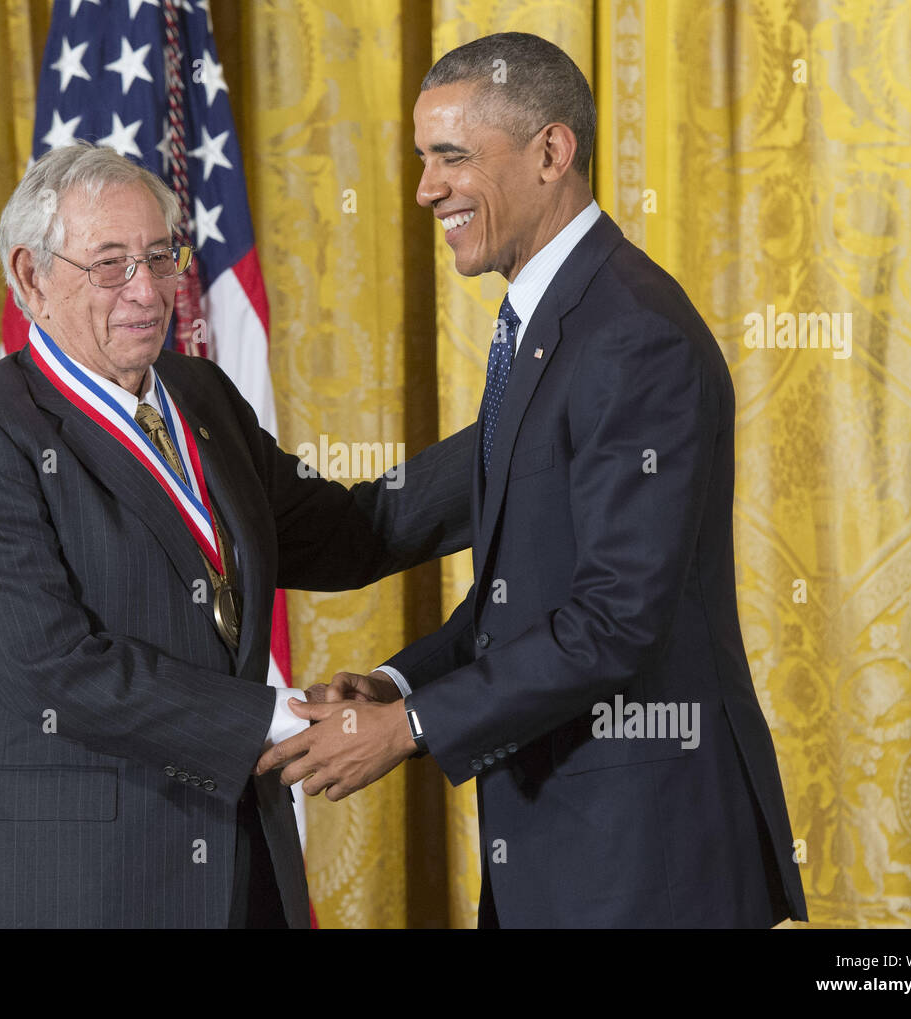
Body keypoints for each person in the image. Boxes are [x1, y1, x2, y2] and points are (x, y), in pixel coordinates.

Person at [258, 32, 809, 928]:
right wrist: (398, 686)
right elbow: (518, 586)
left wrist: (411, 727)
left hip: (648, 861)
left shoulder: (632, 335)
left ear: (551, 152)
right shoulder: (551, 321)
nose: (426, 188)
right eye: (421, 158)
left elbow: (613, 621)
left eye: (452, 157)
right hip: (572, 850)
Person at [0, 142, 473, 928]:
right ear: (31, 279)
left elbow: (348, 533)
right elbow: (54, 669)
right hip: (64, 888)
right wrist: (285, 722)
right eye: (110, 264)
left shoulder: (200, 393)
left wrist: (517, 436)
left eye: (160, 257)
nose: (146, 291)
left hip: (237, 871)